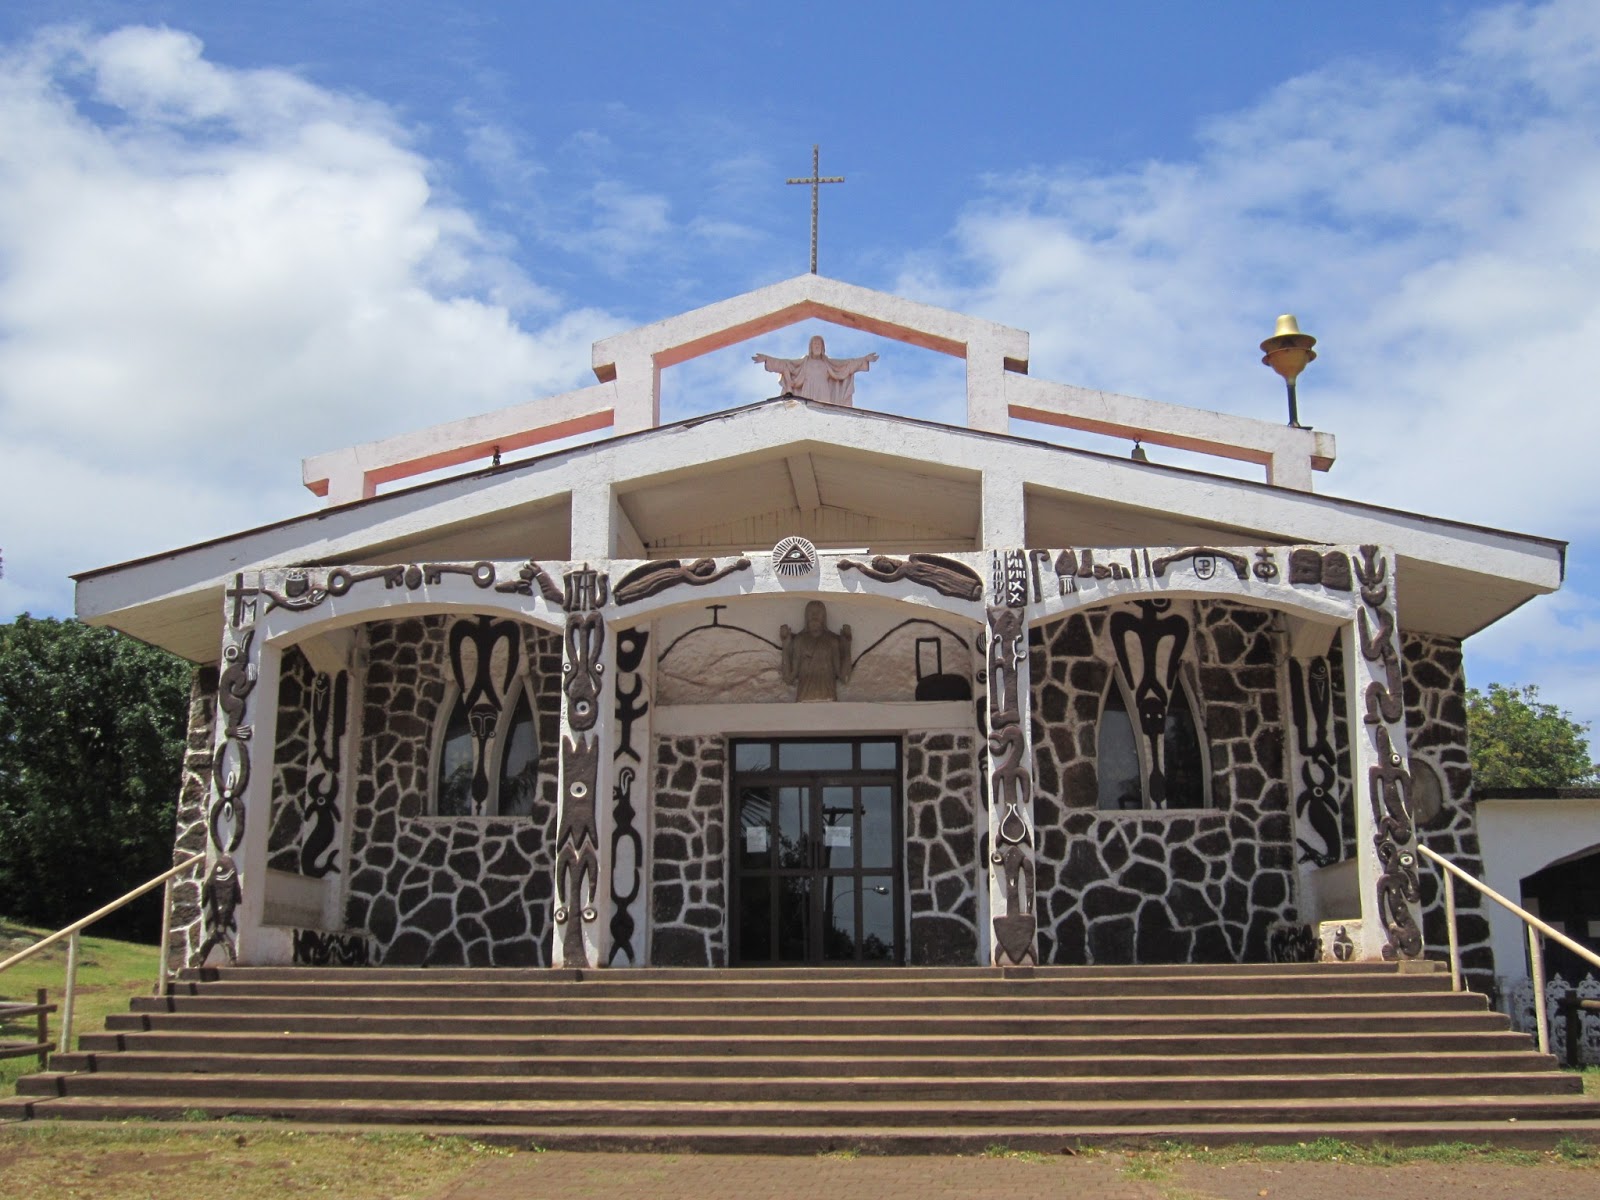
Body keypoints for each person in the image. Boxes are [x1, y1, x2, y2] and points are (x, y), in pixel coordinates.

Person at [753, 336, 878, 405]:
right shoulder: (804, 362)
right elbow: (785, 364)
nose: (817, 346)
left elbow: (847, 365)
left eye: (819, 344)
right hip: (807, 389)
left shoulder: (828, 363)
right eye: (815, 344)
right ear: (810, 348)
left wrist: (865, 359)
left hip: (823, 390)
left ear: (823, 348)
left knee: (824, 412)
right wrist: (766, 359)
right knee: (807, 410)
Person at [780, 600, 852, 701]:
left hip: (828, 696)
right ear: (806, 616)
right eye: (811, 612)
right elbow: (789, 678)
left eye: (818, 612)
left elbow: (844, 677)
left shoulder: (832, 641)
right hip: (804, 697)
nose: (814, 615)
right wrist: (786, 646)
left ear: (824, 616)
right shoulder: (799, 640)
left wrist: (846, 645)